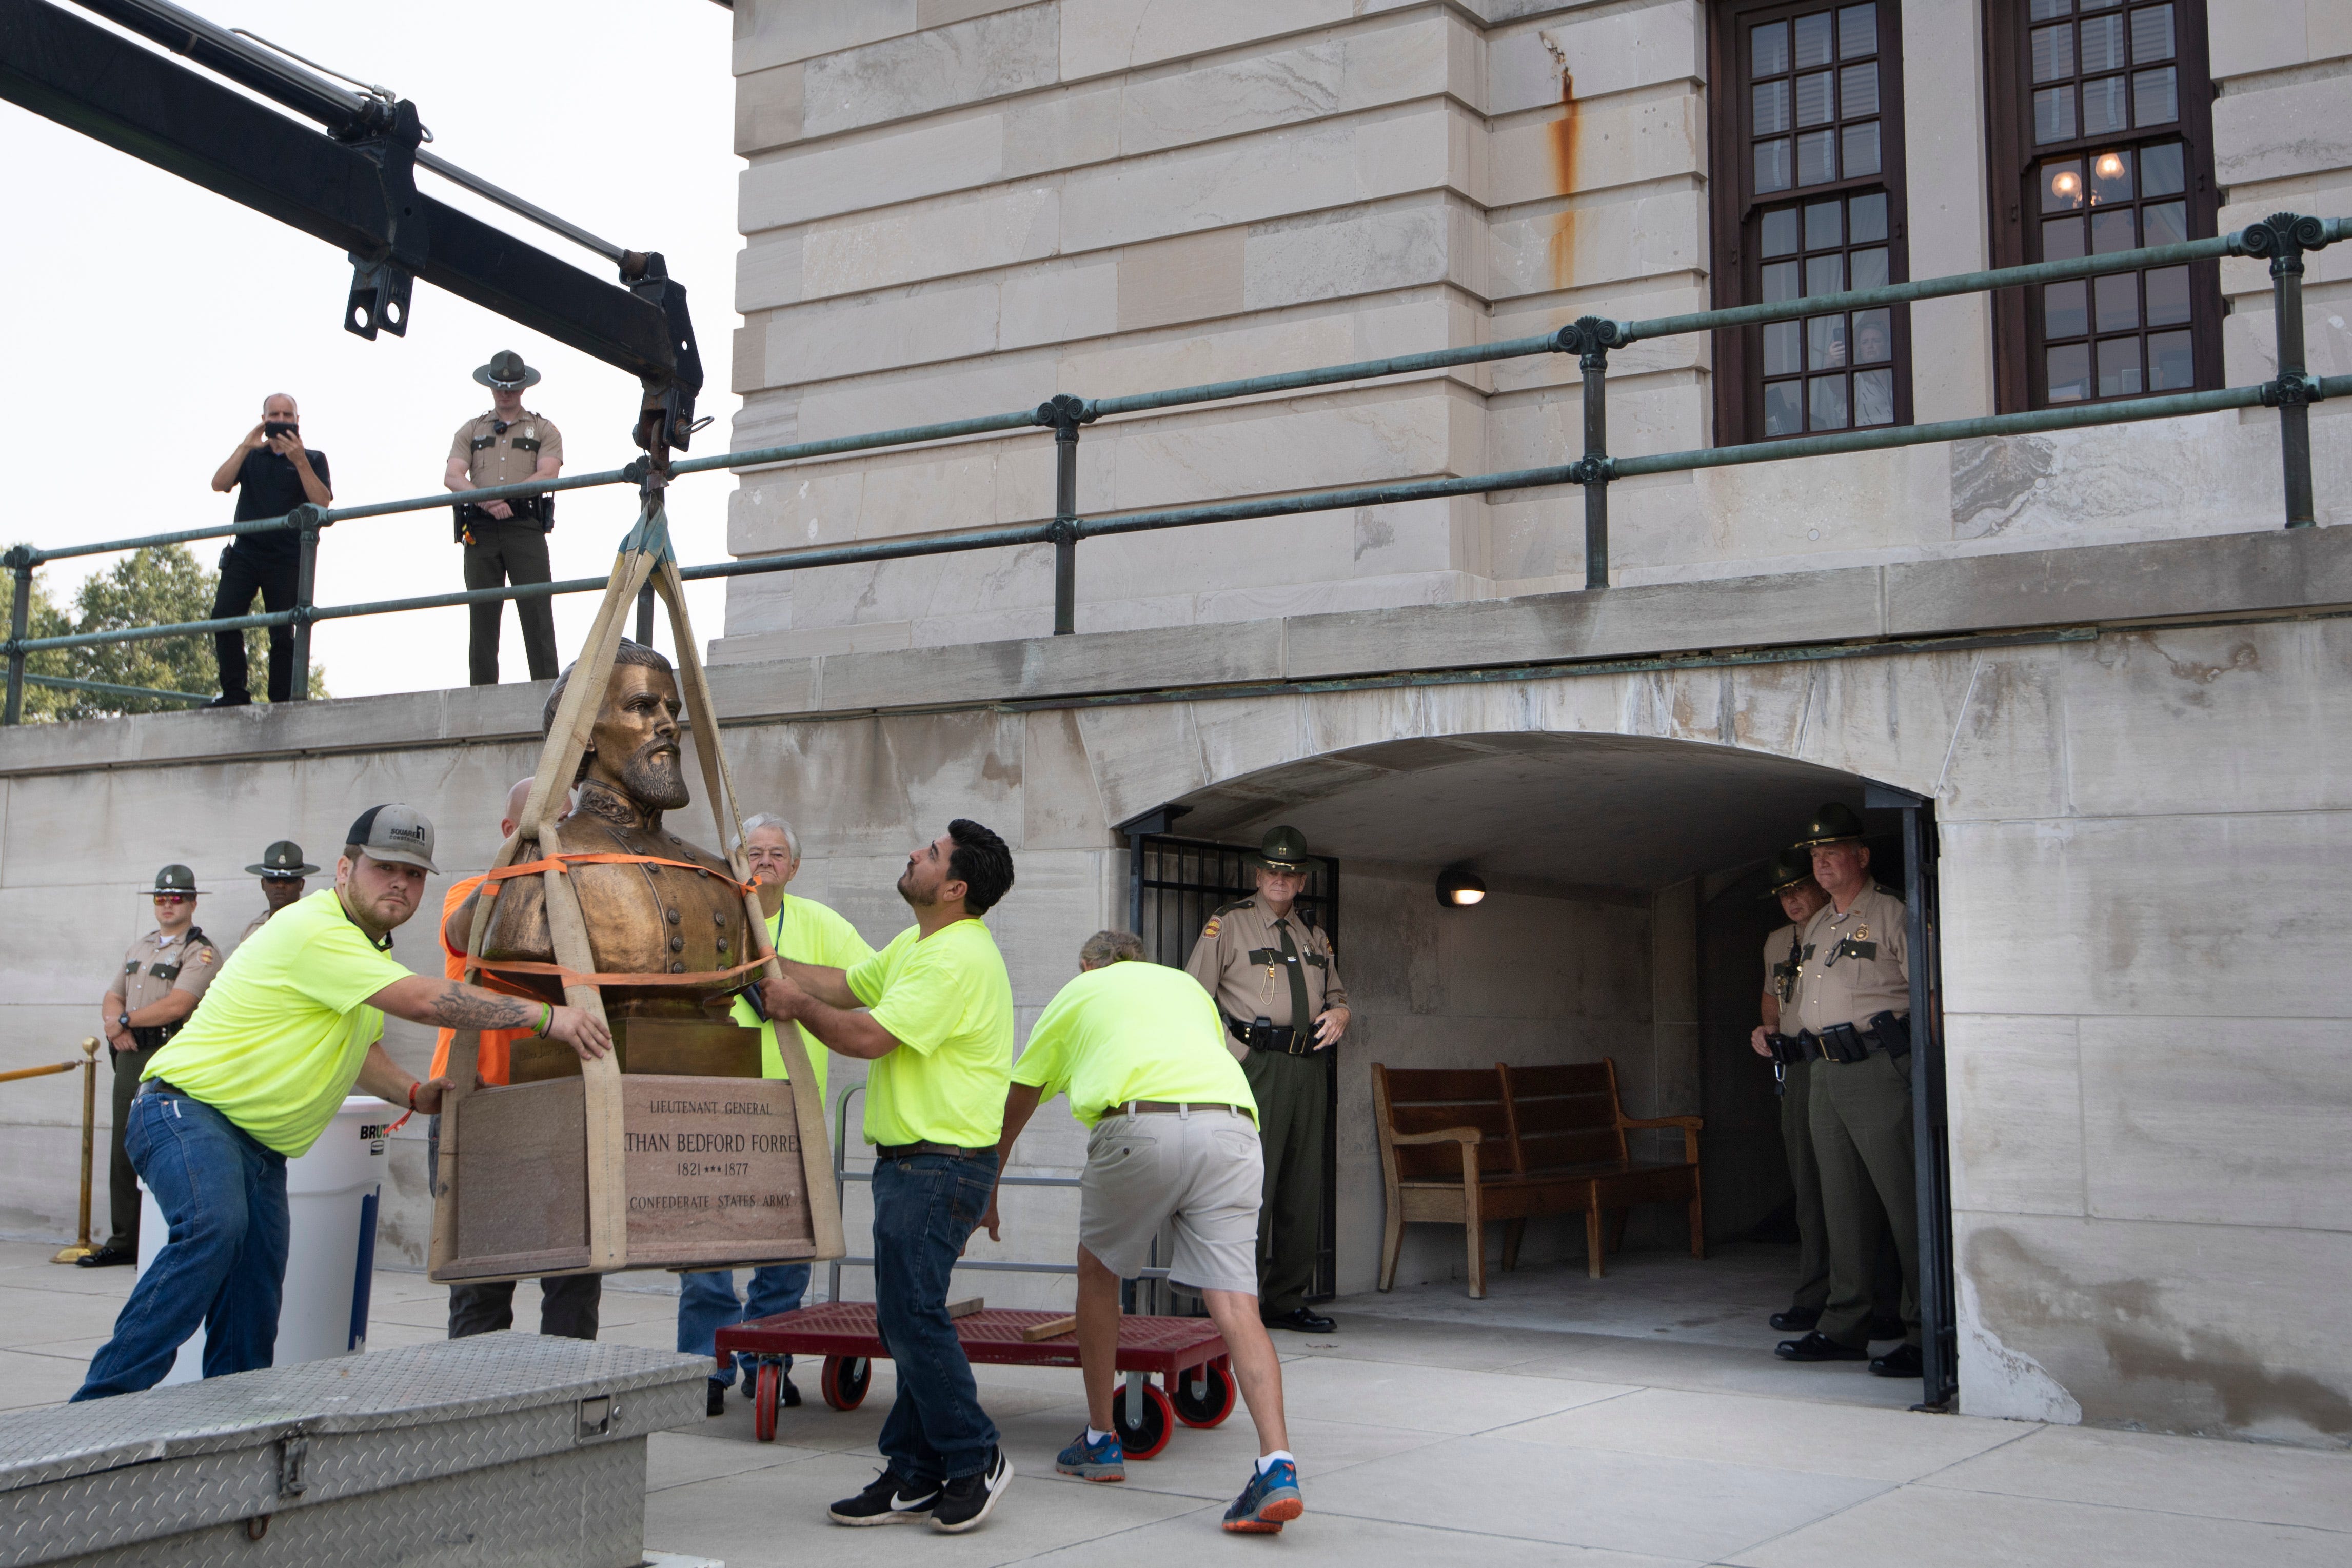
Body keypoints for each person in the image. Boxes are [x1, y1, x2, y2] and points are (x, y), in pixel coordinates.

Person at [72, 805, 612, 1400]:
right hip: (187, 1113)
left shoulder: (367, 955)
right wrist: (547, 1017)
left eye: (413, 875)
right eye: (385, 868)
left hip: (259, 1148)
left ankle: (232, 1422)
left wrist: (413, 1093)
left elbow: (360, 1053)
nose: (400, 884)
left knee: (253, 1301)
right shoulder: (317, 928)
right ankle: (99, 1406)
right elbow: (423, 1000)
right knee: (214, 1228)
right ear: (343, 869)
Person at [985, 930, 1307, 1535]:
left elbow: (1021, 1093)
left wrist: (991, 1183)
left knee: (1098, 1274)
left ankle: (1100, 1439)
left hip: (1141, 1126)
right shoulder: (1185, 988)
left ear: (1087, 966)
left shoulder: (1082, 991)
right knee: (1237, 1304)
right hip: (1232, 1130)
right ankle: (1277, 1465)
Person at [759, 820, 1017, 1535]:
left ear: (954, 888)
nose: (914, 854)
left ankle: (976, 1457)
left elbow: (866, 1034)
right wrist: (763, 958)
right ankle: (912, 1470)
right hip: (917, 1165)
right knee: (908, 1318)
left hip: (940, 1164)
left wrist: (793, 1005)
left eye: (931, 854)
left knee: (912, 1317)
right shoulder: (918, 944)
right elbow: (845, 985)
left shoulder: (954, 959)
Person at [680, 811, 875, 1418]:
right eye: (753, 852)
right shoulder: (701, 915)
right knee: (705, 1243)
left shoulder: (822, 923)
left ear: (795, 867)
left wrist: (799, 988)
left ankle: (766, 1359)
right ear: (733, 862)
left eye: (776, 854)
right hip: (712, 1103)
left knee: (789, 1246)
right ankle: (705, 1365)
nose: (765, 862)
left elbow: (871, 984)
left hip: (792, 1105)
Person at [430, 778, 600, 1343]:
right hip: (480, 1106)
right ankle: (476, 1393)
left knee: (574, 1280)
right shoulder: (470, 891)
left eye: (566, 822)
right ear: (511, 830)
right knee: (480, 1286)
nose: (559, 834)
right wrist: (521, 861)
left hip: (560, 1112)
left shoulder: (587, 905)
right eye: (543, 823)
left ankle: (569, 1389)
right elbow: (463, 932)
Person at [1773, 802, 1921, 1379]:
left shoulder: (1892, 912)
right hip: (1824, 1071)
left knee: (1905, 1204)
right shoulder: (1817, 924)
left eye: (1832, 852)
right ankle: (1844, 1325)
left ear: (1861, 856)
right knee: (1842, 1206)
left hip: (1880, 1067)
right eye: (1816, 855)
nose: (1822, 863)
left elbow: (1932, 992)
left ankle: (1924, 1330)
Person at [1182, 825, 1349, 1334]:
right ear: (1258, 875)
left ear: (1301, 881)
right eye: (1272, 871)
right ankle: (1239, 1303)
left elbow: (1336, 993)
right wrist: (1234, 1054)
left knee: (1302, 1186)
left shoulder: (1312, 932)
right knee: (1251, 1183)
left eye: (1290, 873)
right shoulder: (1229, 924)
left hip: (1307, 1067)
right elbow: (1193, 997)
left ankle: (1285, 1299)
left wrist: (1342, 1013)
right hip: (1254, 1067)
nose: (1280, 879)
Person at [82, 866, 223, 1268]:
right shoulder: (140, 946)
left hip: (170, 1053)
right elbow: (113, 994)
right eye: (161, 898)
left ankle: (162, 1238)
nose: (167, 904)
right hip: (130, 1053)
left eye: (176, 898)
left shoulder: (200, 951)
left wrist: (125, 1021)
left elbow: (180, 1004)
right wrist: (116, 1025)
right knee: (124, 1146)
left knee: (167, 1145)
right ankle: (125, 1239)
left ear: (193, 903)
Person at [444, 351, 563, 686]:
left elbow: (549, 473)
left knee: (537, 613)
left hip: (524, 526)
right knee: (482, 616)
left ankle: (548, 694)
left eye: (511, 388)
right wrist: (486, 501)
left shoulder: (543, 429)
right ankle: (482, 698)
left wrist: (503, 498)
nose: (505, 393)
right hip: (480, 529)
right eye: (499, 387)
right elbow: (452, 476)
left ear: (523, 388)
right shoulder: (471, 429)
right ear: (490, 387)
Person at [1750, 848, 1831, 1331]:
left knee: (1858, 1187)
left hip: (1846, 1059)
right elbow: (1770, 995)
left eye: (1799, 888)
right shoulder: (1778, 940)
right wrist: (1768, 1029)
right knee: (1809, 1187)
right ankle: (1814, 1294)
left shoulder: (1843, 927)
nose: (1791, 900)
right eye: (1783, 894)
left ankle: (1882, 1302)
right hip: (1798, 1065)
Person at [207, 393, 331, 706]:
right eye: (274, 415)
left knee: (283, 631)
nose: (281, 421)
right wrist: (244, 447)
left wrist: (299, 460)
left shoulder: (314, 458)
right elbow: (219, 484)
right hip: (246, 553)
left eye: (288, 415)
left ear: (298, 421)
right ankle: (234, 694)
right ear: (263, 420)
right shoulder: (251, 456)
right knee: (223, 617)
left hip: (287, 557)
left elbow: (322, 504)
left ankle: (282, 702)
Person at [239, 841, 319, 945]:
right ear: (263, 884)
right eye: (273, 879)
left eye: (289, 879)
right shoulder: (252, 931)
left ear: (301, 885)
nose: (280, 885)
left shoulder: (316, 928)